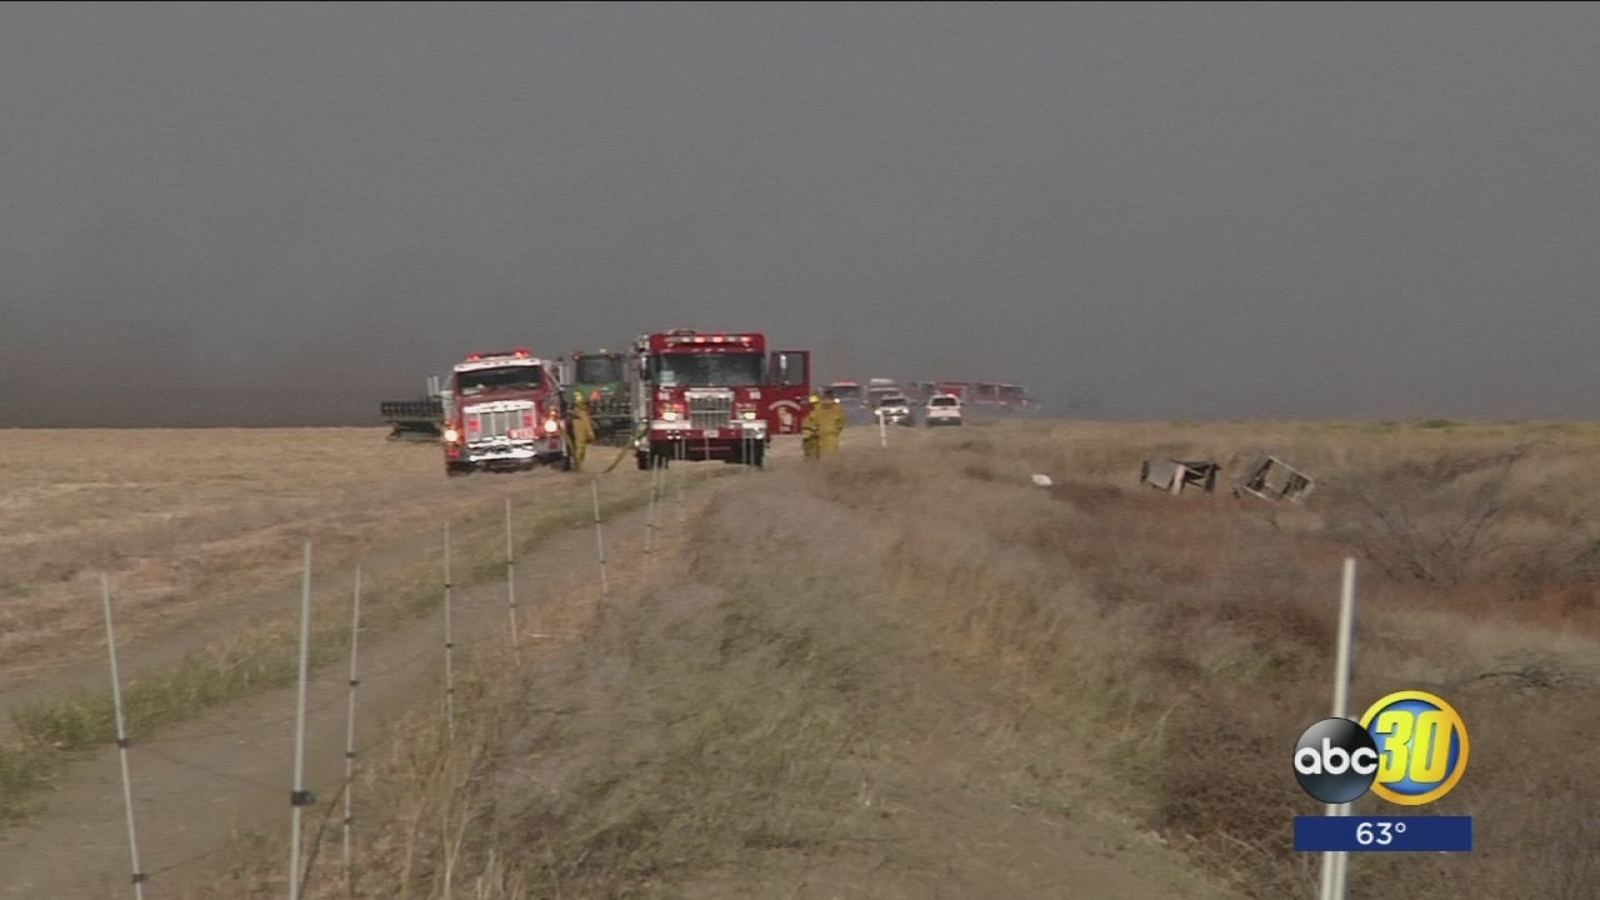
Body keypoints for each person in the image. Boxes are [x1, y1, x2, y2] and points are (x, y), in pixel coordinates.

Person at [814, 389, 847, 458]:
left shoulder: (817, 407)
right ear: (832, 396)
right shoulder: (837, 408)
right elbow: (842, 420)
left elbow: (814, 420)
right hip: (833, 432)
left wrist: (815, 429)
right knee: (832, 451)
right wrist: (839, 429)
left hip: (821, 432)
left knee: (822, 451)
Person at [568, 393, 596, 471]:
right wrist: (591, 434)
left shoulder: (577, 415)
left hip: (580, 436)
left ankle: (577, 463)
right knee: (580, 447)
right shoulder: (582, 414)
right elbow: (587, 425)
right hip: (581, 436)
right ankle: (577, 464)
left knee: (580, 447)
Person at [801, 394, 822, 460]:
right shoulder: (807, 411)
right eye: (812, 403)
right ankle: (807, 455)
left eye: (815, 403)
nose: (814, 405)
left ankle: (816, 456)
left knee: (817, 443)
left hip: (816, 429)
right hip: (808, 429)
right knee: (806, 442)